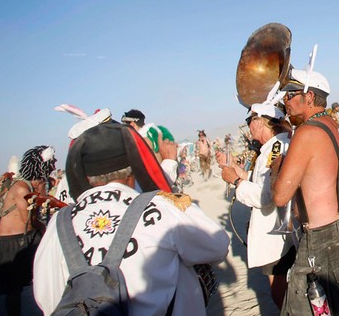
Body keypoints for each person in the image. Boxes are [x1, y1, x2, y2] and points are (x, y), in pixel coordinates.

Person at [33, 122, 229, 315]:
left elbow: (45, 297)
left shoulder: (59, 223)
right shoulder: (161, 207)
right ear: (134, 166)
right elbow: (217, 246)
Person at [272, 66, 339, 316]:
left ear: (309, 97)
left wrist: (277, 167)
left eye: (290, 95)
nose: (285, 102)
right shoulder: (334, 125)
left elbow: (280, 196)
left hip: (321, 238)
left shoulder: (306, 133)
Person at [218, 92, 295, 309]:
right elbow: (260, 179)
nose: (248, 127)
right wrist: (237, 171)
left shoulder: (276, 147)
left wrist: (236, 181)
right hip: (277, 229)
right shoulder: (272, 147)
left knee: (278, 288)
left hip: (276, 231)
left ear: (260, 122)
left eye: (249, 121)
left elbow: (266, 195)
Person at [0, 145, 55, 315]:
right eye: (52, 161)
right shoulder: (22, 188)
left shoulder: (36, 185)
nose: (55, 164)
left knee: (44, 276)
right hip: (13, 240)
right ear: (41, 165)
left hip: (30, 234)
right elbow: (28, 220)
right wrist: (45, 229)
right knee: (14, 289)